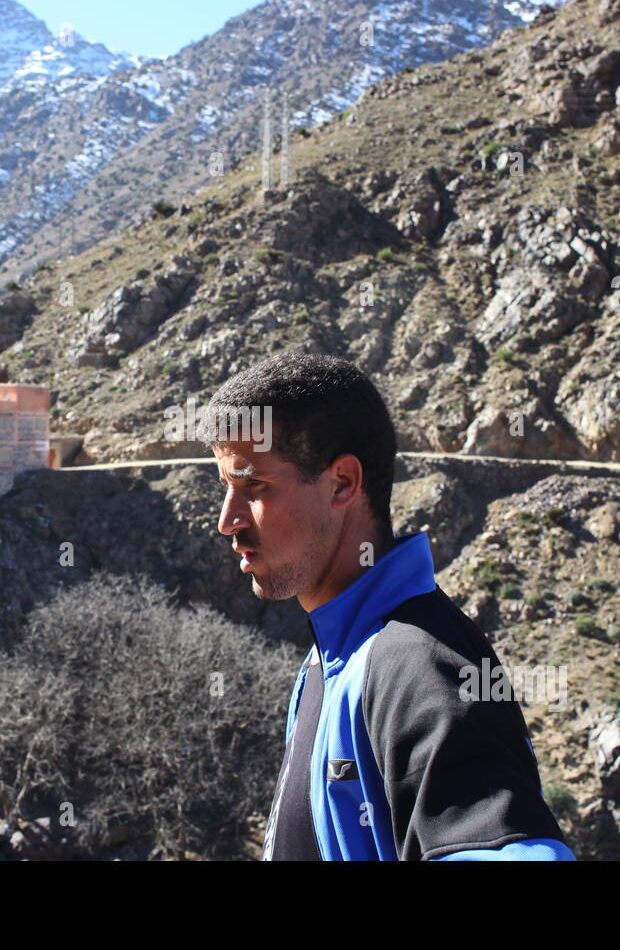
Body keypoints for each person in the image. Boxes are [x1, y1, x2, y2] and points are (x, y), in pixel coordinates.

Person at [199, 352, 576, 861]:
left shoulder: (416, 663)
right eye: (226, 487)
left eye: (254, 486)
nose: (228, 520)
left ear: (342, 484)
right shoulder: (329, 661)